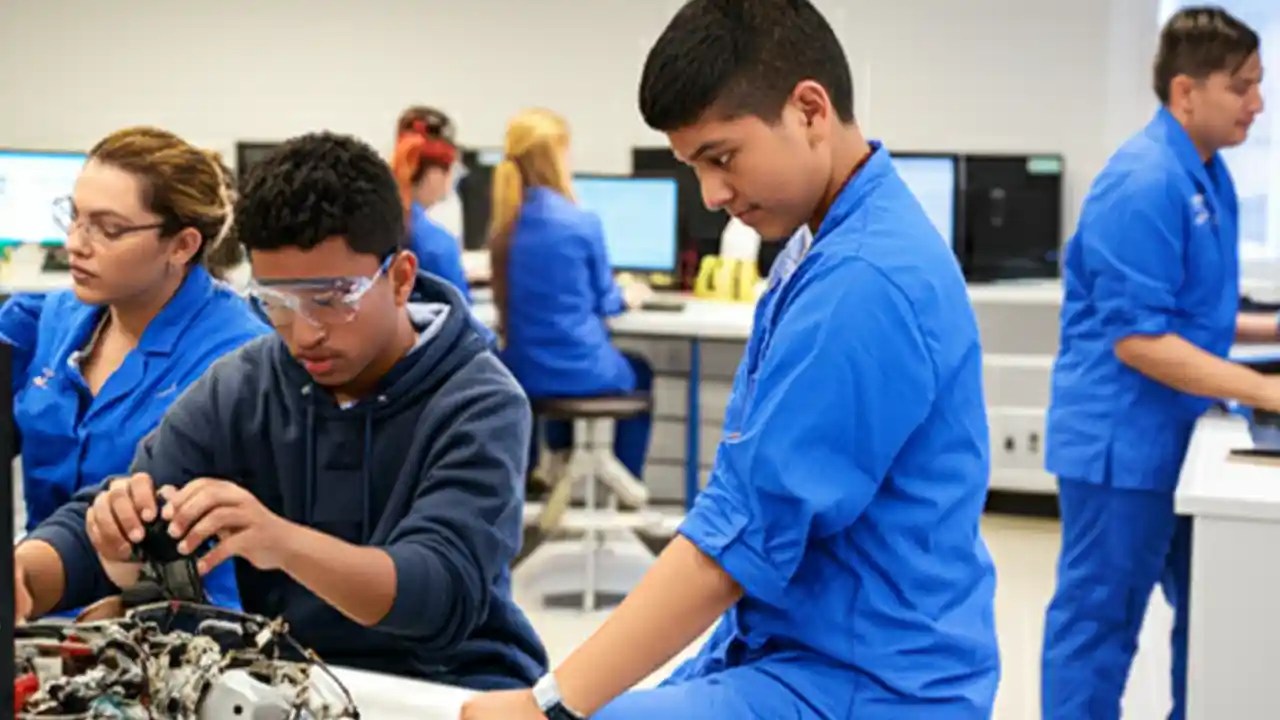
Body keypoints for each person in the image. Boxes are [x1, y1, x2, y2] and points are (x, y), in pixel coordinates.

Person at [461, 1, 999, 718]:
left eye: (721, 158)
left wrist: (548, 703)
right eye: (694, 168)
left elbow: (735, 542)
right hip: (800, 647)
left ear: (809, 110)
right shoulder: (822, 243)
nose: (712, 196)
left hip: (866, 684)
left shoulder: (864, 281)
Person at [12, 131, 549, 689]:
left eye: (333, 299)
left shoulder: (478, 402)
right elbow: (115, 515)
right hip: (295, 682)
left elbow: (437, 595)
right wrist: (29, 571)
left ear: (400, 278)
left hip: (453, 686)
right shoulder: (244, 384)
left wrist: (280, 542)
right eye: (277, 302)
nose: (306, 332)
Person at [1041, 8, 1270, 719]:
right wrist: (1266, 391)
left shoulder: (1205, 174)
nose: (1259, 104)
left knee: (1212, 608)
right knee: (1099, 626)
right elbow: (1139, 340)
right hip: (1121, 446)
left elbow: (1192, 310)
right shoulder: (1143, 181)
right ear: (1185, 92)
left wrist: (1271, 329)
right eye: (1242, 87)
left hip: (1174, 432)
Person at [0, 126, 269, 610]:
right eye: (74, 217)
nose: (75, 244)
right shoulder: (50, 319)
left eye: (108, 229)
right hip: (38, 592)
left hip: (172, 619)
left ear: (182, 245)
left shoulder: (241, 359)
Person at [489, 108, 655, 516]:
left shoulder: (504, 228)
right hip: (582, 370)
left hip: (523, 372)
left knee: (558, 373)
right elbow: (607, 302)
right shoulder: (581, 222)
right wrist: (630, 294)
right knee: (639, 370)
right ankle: (626, 486)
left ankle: (555, 466)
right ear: (555, 158)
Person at [392, 106, 472, 302]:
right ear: (432, 173)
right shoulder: (436, 244)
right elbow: (462, 311)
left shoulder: (376, 225)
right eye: (450, 170)